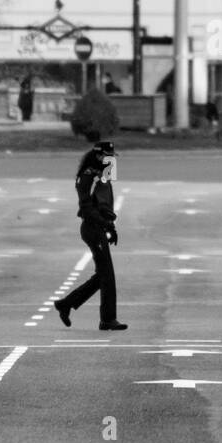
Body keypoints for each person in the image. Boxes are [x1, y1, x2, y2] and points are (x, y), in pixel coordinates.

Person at [55, 132, 127, 330]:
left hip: (99, 226)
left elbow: (104, 203)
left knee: (102, 276)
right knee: (107, 276)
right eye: (107, 156)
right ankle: (107, 319)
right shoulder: (87, 176)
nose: (110, 159)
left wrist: (110, 226)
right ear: (97, 156)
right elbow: (86, 207)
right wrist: (104, 225)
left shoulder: (101, 173)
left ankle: (66, 304)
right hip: (92, 227)